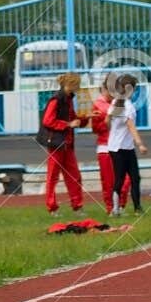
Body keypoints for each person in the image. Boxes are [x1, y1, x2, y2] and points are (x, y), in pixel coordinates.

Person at [40, 72, 85, 216]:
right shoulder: (56, 100)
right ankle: (52, 207)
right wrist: (67, 124)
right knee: (53, 177)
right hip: (56, 144)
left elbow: (72, 118)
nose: (79, 87)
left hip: (67, 144)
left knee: (75, 176)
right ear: (70, 84)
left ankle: (77, 206)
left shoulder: (68, 99)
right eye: (77, 84)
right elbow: (47, 121)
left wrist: (84, 119)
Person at [90, 79, 130, 216]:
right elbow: (95, 128)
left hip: (121, 147)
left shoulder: (120, 103)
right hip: (105, 148)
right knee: (108, 181)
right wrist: (106, 122)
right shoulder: (99, 105)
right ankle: (111, 208)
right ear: (105, 90)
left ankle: (120, 206)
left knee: (125, 179)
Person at [107, 75, 146, 216]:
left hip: (121, 146)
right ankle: (116, 209)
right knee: (121, 178)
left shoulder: (116, 103)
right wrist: (140, 144)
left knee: (134, 177)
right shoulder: (126, 106)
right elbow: (130, 126)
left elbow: (108, 120)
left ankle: (136, 207)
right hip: (120, 148)